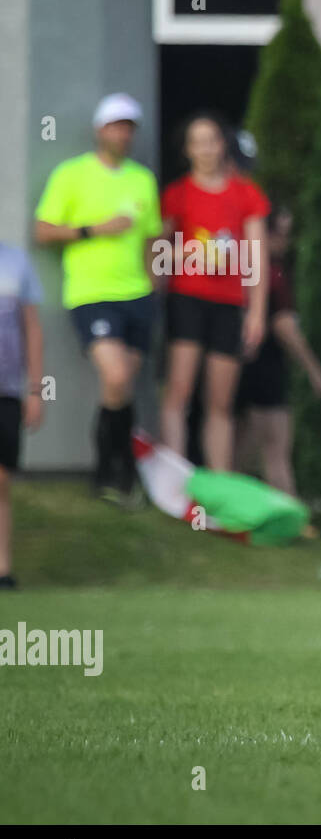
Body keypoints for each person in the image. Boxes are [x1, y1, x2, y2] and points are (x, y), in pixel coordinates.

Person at [33, 92, 161, 502]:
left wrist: (155, 282)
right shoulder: (72, 174)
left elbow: (151, 238)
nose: (122, 134)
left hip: (136, 294)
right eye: (116, 126)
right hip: (91, 293)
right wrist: (93, 229)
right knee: (117, 375)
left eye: (129, 128)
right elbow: (44, 231)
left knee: (123, 386)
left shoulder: (142, 179)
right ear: (99, 129)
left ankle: (114, 472)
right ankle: (111, 466)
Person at [159, 113, 270, 471]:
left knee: (220, 401)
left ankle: (218, 481)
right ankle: (175, 479)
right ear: (188, 150)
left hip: (229, 301)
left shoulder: (245, 194)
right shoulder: (176, 195)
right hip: (187, 298)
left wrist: (256, 313)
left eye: (212, 140)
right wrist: (189, 252)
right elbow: (156, 254)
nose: (206, 149)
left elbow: (257, 255)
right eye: (197, 142)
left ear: (223, 145)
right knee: (179, 392)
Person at [235, 206, 321, 496]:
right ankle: (289, 515)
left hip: (242, 363)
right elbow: (283, 325)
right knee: (276, 448)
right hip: (266, 365)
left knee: (244, 445)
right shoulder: (272, 272)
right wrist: (314, 370)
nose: (284, 242)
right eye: (279, 233)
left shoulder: (244, 266)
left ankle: (228, 507)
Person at [0, 242, 44, 589]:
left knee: (1, 480)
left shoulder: (15, 260)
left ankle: (3, 569)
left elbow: (32, 328)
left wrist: (38, 391)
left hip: (7, 391)